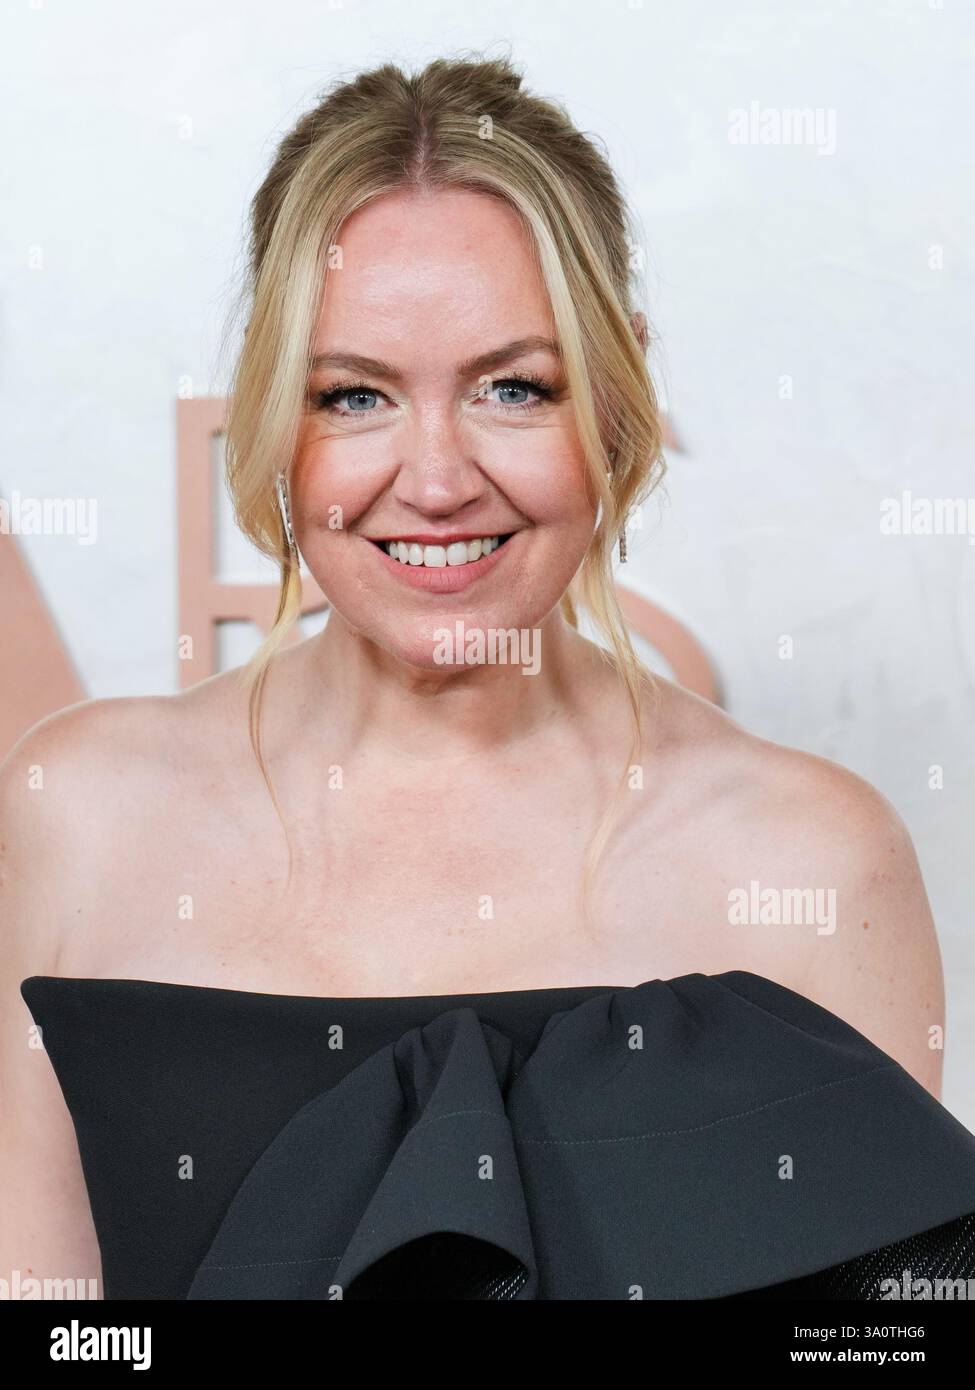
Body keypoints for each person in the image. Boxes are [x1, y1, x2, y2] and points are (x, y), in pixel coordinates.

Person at [2, 53, 971, 1302]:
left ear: (615, 402)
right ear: (272, 419)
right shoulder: (79, 809)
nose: (440, 477)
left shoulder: (813, 864)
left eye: (513, 387)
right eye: (354, 395)